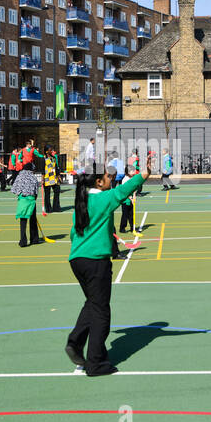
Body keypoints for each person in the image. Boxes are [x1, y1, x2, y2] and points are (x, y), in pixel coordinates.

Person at [66, 158, 152, 376]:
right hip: (96, 261)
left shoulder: (82, 201)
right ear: (98, 182)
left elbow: (72, 234)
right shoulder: (103, 198)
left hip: (77, 259)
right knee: (102, 312)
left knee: (93, 304)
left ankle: (75, 343)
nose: (109, 178)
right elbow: (124, 191)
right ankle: (95, 363)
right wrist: (144, 174)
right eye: (106, 176)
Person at [11, 160, 43, 247]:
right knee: (33, 220)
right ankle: (34, 239)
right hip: (31, 200)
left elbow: (14, 189)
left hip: (22, 200)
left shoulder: (19, 176)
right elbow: (36, 191)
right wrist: (34, 199)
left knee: (23, 220)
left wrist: (20, 195)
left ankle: (23, 241)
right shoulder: (33, 178)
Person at [43, 146, 62, 213]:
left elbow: (56, 167)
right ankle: (48, 208)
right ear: (46, 151)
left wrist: (59, 175)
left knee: (57, 191)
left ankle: (56, 207)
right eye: (50, 150)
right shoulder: (44, 159)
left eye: (52, 150)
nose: (52, 151)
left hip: (54, 178)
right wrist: (42, 179)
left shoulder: (53, 158)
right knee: (47, 194)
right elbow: (42, 169)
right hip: (47, 178)